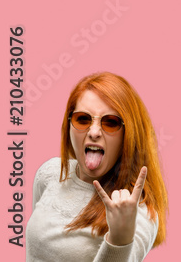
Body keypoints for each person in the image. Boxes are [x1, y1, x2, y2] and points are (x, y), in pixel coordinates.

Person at [26, 71, 168, 261]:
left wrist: (119, 239)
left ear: (129, 134)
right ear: (68, 125)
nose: (94, 132)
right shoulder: (49, 173)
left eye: (110, 123)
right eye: (82, 119)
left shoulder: (137, 211)